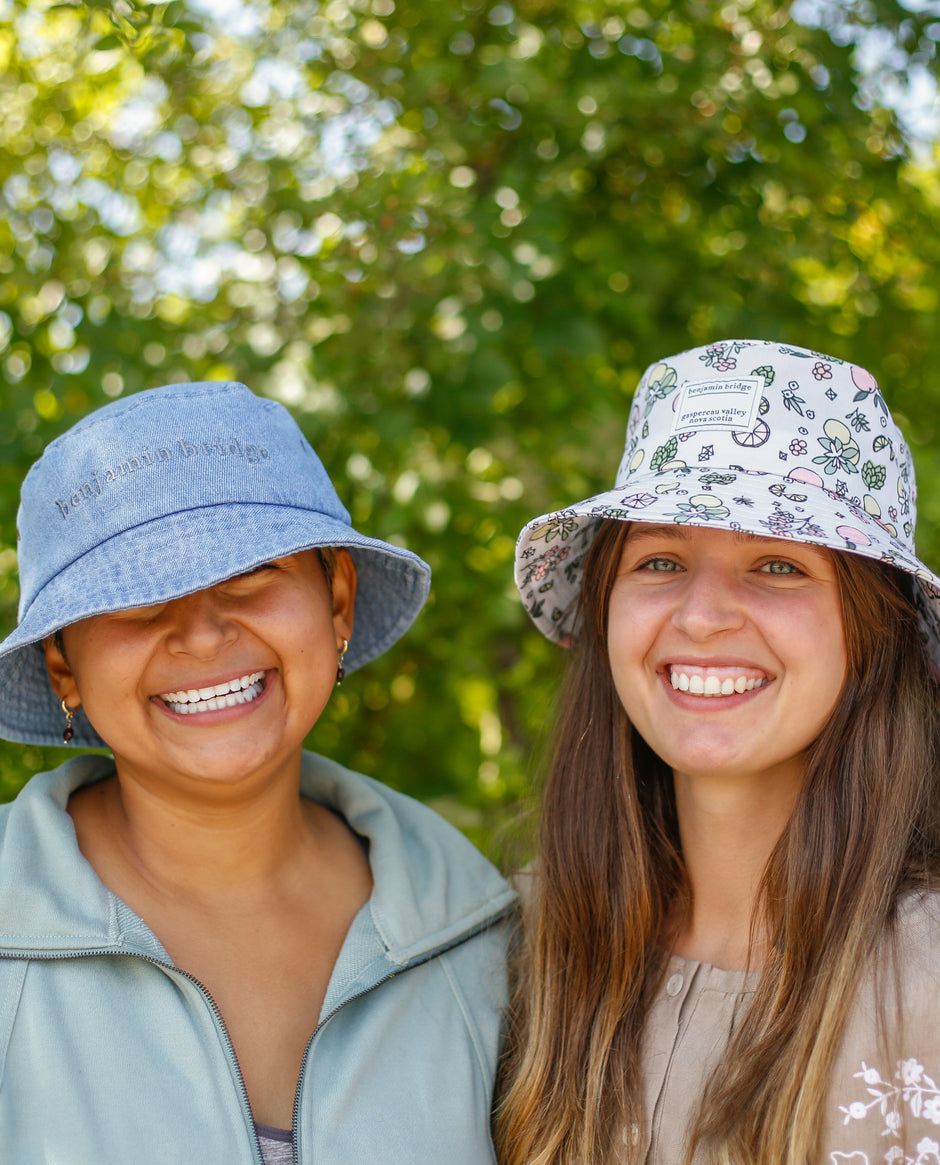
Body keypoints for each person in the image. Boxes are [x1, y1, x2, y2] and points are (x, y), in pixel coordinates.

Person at [0, 380, 515, 1164]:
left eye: (250, 572)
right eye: (133, 599)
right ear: (63, 665)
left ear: (336, 600)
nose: (203, 634)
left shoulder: (488, 941)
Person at [496, 340, 940, 1165]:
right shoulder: (516, 949)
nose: (702, 616)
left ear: (875, 630)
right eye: (660, 560)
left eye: (777, 564)